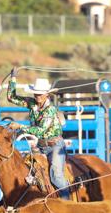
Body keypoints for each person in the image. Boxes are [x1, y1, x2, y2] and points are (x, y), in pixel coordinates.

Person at [6, 69, 71, 200]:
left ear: (47, 95)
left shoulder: (50, 110)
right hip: (41, 146)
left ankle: (67, 203)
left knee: (56, 176)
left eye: (40, 94)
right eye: (36, 94)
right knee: (26, 171)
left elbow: (41, 130)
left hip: (55, 146)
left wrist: (20, 126)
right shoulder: (32, 104)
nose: (37, 97)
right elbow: (11, 97)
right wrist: (13, 79)